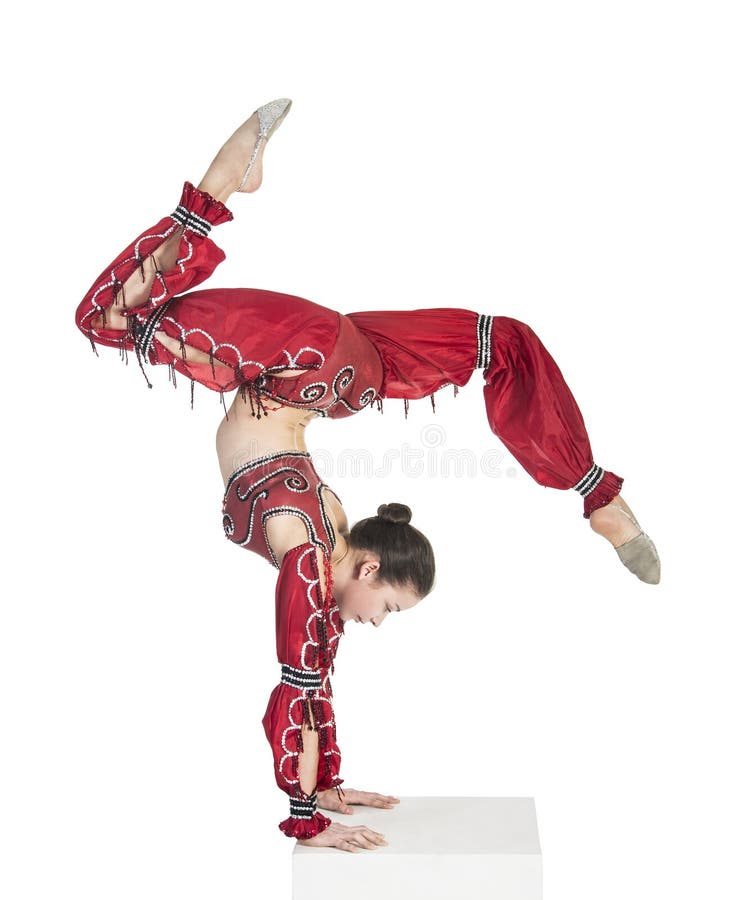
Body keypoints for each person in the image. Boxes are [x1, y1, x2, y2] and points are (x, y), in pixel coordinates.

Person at [74, 97, 661, 851]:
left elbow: (314, 672)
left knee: (497, 341)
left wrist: (324, 789)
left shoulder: (325, 541)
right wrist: (304, 818)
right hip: (302, 365)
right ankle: (225, 181)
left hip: (330, 364)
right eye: (386, 606)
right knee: (106, 320)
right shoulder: (314, 545)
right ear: (371, 565)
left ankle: (598, 498)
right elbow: (298, 680)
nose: (375, 622)